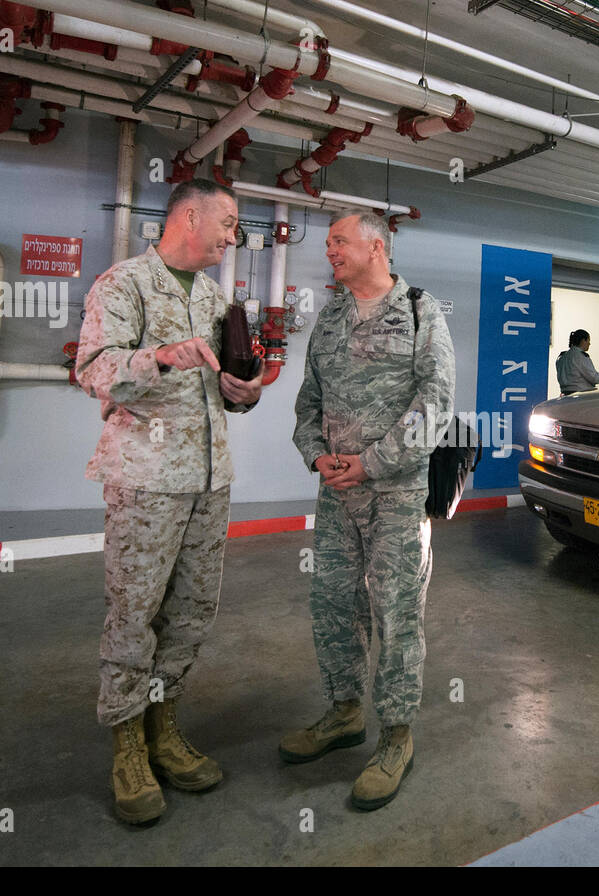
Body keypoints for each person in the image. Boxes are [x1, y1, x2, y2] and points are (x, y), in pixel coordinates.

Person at [76, 178, 264, 825]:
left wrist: (247, 387)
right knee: (134, 611)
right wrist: (160, 356)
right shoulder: (122, 284)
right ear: (190, 215)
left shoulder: (216, 299)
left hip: (209, 479)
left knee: (190, 613)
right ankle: (127, 745)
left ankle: (164, 725)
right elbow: (94, 370)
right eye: (229, 222)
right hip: (146, 476)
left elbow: (227, 395)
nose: (233, 235)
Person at [286, 211, 455, 811]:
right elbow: (309, 400)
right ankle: (343, 713)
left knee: (397, 610)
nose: (328, 248)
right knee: (333, 603)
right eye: (328, 240)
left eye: (339, 240)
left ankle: (396, 736)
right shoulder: (329, 316)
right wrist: (315, 457)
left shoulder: (419, 311)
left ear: (375, 247)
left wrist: (375, 462)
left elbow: (435, 401)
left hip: (397, 495)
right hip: (336, 495)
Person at [555, 329, 599, 394]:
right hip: (580, 396)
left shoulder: (562, 357)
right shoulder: (580, 356)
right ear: (583, 340)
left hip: (565, 395)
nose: (589, 344)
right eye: (588, 340)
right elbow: (595, 378)